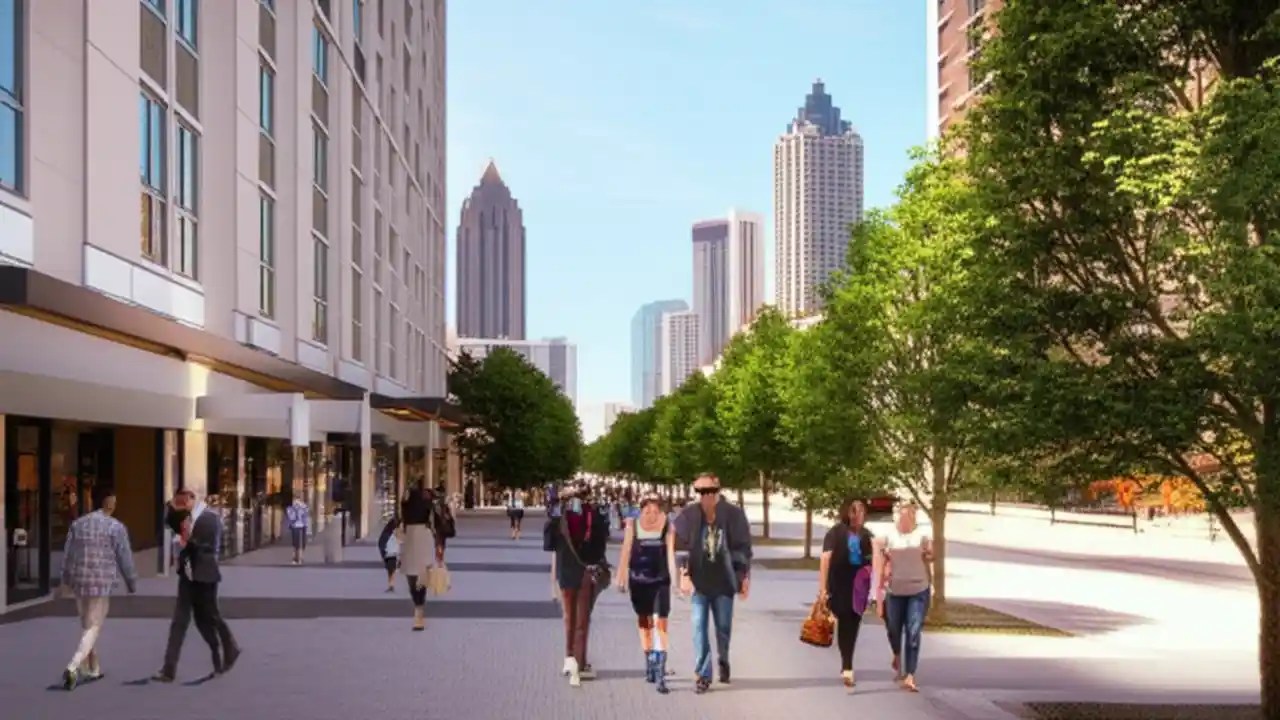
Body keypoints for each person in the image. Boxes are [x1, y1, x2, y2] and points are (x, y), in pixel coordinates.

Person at [673, 473, 752, 694]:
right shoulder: (689, 515)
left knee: (723, 627)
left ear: (718, 490)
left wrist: (744, 577)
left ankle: (723, 659)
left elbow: (744, 549)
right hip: (700, 581)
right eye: (700, 492)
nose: (705, 496)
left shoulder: (734, 515)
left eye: (709, 491)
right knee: (698, 626)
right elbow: (679, 547)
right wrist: (683, 574)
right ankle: (703, 674)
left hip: (724, 581)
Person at [154, 491, 240, 682]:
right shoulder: (189, 518)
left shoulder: (209, 519)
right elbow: (175, 529)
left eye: (182, 505)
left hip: (204, 575)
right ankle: (169, 669)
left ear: (189, 501)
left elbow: (204, 547)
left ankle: (228, 648)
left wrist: (186, 541)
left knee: (209, 617)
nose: (181, 510)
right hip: (188, 575)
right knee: (180, 621)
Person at [58, 486, 137, 691]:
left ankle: (93, 668)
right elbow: (125, 557)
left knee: (86, 624)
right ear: (110, 502)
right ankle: (73, 665)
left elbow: (68, 554)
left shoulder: (78, 524)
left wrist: (65, 579)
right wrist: (131, 581)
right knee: (93, 627)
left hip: (79, 581)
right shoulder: (115, 527)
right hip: (101, 583)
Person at [616, 494, 678, 694]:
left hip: (661, 581)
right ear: (641, 511)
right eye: (647, 510)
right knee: (644, 622)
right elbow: (625, 551)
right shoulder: (632, 525)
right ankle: (649, 657)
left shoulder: (668, 526)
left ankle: (660, 670)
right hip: (639, 580)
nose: (651, 514)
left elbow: (670, 555)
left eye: (655, 510)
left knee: (661, 623)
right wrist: (621, 576)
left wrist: (675, 582)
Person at [550, 485, 609, 687]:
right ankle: (579, 663)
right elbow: (602, 541)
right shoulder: (593, 515)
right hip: (587, 570)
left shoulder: (560, 517)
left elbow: (549, 544)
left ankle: (570, 659)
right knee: (582, 619)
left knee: (569, 617)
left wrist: (554, 515)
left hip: (566, 570)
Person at [874, 501, 933, 692]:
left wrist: (930, 553)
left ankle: (910, 675)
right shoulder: (889, 537)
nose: (904, 520)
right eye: (901, 516)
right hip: (895, 591)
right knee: (893, 628)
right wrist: (879, 595)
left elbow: (932, 556)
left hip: (918, 589)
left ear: (914, 517)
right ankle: (897, 653)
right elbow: (881, 567)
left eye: (908, 516)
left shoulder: (923, 536)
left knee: (913, 631)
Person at [818, 498, 875, 688]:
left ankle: (847, 664)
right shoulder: (835, 533)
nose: (859, 515)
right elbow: (826, 559)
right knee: (843, 621)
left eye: (862, 511)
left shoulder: (867, 535)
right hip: (839, 582)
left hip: (859, 584)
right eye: (855, 511)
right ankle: (847, 663)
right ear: (847, 513)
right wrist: (823, 589)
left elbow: (873, 561)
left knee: (853, 622)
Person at [399, 487, 435, 631]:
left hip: (411, 541)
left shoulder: (406, 510)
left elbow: (402, 506)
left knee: (412, 580)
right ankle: (419, 608)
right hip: (424, 540)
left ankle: (418, 607)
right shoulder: (427, 508)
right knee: (421, 578)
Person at [377, 515, 400, 593]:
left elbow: (381, 543)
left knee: (390, 571)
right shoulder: (396, 533)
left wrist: (383, 553)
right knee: (392, 570)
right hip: (393, 554)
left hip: (388, 554)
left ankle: (391, 585)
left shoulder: (386, 532)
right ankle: (391, 585)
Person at [285, 495, 310, 565]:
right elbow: (291, 516)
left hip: (301, 526)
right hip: (295, 526)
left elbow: (306, 515)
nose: (297, 502)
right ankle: (296, 557)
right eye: (295, 500)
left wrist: (301, 508)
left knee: (302, 543)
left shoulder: (304, 507)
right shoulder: (291, 508)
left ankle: (300, 557)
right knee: (296, 543)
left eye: (298, 500)